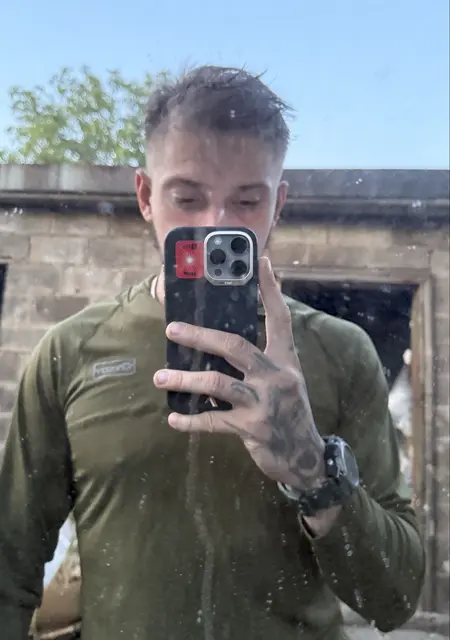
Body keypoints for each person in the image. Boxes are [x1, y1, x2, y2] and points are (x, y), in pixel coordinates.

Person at [0, 66, 425, 640]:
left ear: (278, 205)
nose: (214, 225)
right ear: (146, 196)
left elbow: (395, 600)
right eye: (187, 197)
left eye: (247, 201)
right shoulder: (71, 351)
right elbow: (11, 565)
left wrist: (311, 466)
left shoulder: (341, 351)